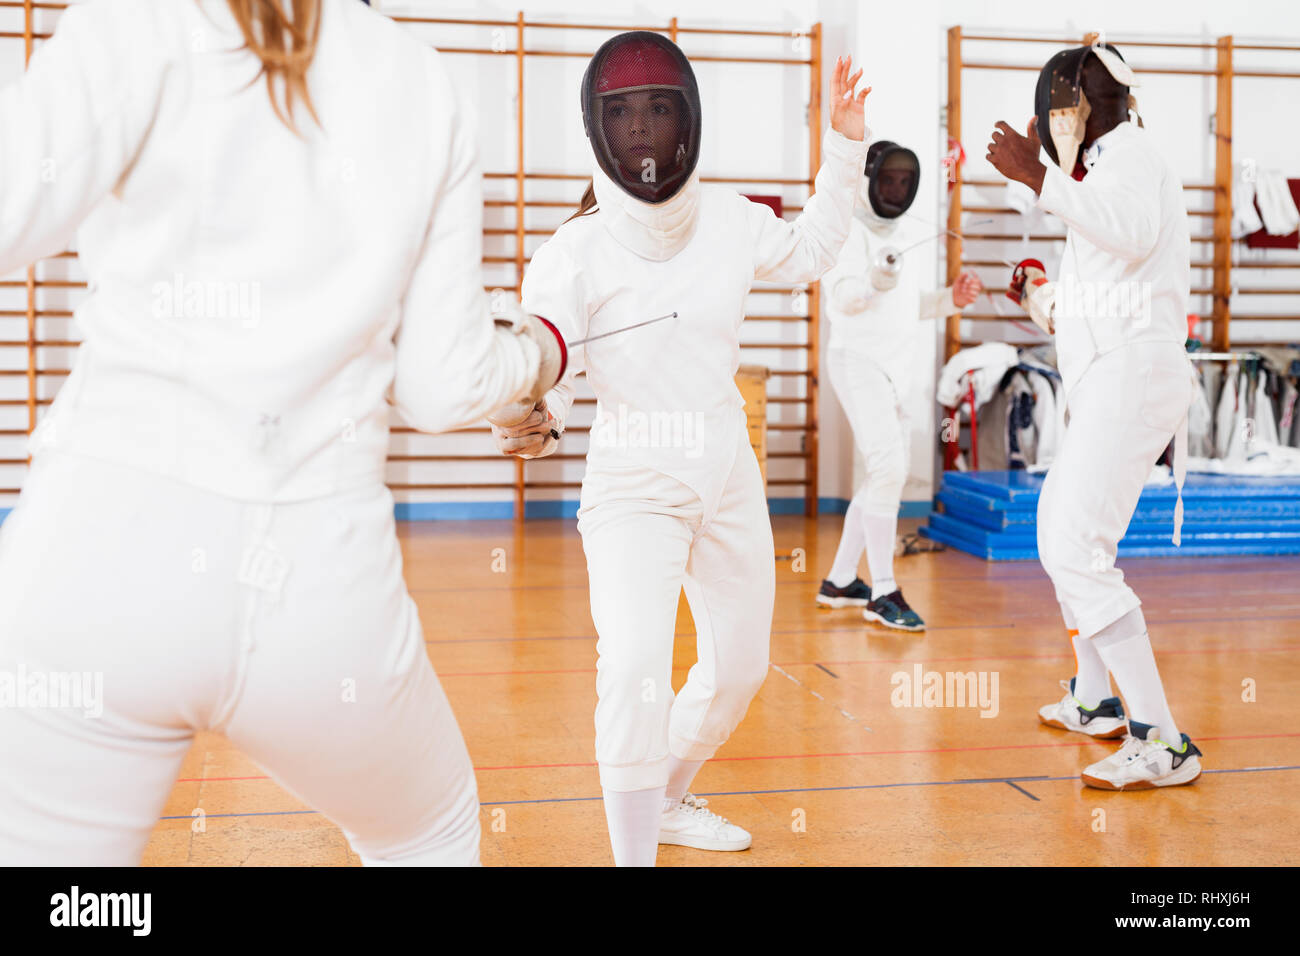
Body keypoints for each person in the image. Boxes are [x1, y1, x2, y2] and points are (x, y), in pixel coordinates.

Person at [0, 0, 564, 865]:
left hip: (97, 560)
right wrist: (536, 353)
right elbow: (443, 387)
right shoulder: (417, 76)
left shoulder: (130, 20)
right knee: (430, 833)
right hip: (318, 592)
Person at [489, 32, 870, 864]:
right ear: (598, 127)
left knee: (738, 672)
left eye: (659, 108)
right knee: (632, 671)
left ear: (687, 118)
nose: (641, 129)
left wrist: (842, 146)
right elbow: (551, 366)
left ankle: (664, 795)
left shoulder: (731, 220)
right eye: (622, 113)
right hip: (633, 486)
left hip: (727, 472)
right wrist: (536, 417)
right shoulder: (571, 255)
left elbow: (811, 251)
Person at [987, 40, 1203, 789]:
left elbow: (1132, 233)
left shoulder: (1130, 159)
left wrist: (1038, 176)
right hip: (1115, 375)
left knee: (1075, 544)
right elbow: (1104, 295)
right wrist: (1039, 295)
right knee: (1063, 534)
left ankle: (1161, 739)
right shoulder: (1102, 172)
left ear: (1076, 103)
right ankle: (1093, 696)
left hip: (1136, 377)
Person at [815, 140, 982, 631]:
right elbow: (844, 300)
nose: (895, 189)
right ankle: (883, 590)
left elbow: (910, 307)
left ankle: (843, 580)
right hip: (857, 361)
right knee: (888, 467)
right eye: (887, 180)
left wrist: (950, 299)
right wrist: (874, 280)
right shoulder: (845, 232)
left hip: (896, 370)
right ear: (868, 181)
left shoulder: (901, 234)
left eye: (904, 182)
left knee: (885, 474)